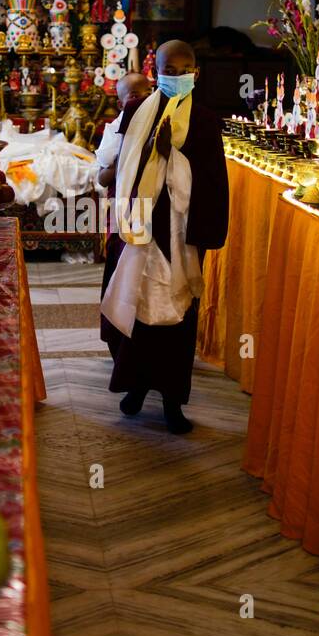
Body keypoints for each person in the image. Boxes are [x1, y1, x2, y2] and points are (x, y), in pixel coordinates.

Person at [99, 40, 228, 434]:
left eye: (185, 69)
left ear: (197, 73)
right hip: (140, 221)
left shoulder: (206, 121)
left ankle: (172, 400)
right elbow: (116, 170)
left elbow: (214, 180)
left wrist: (175, 158)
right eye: (170, 70)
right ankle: (135, 387)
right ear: (158, 73)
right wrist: (149, 153)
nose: (178, 76)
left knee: (177, 316)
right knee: (136, 305)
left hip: (180, 229)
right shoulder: (137, 111)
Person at [96, 73, 153, 361]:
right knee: (121, 272)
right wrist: (122, 157)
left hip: (153, 215)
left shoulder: (161, 123)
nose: (141, 98)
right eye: (133, 95)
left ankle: (147, 346)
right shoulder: (114, 130)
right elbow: (102, 177)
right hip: (124, 212)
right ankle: (118, 340)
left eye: (147, 92)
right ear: (120, 103)